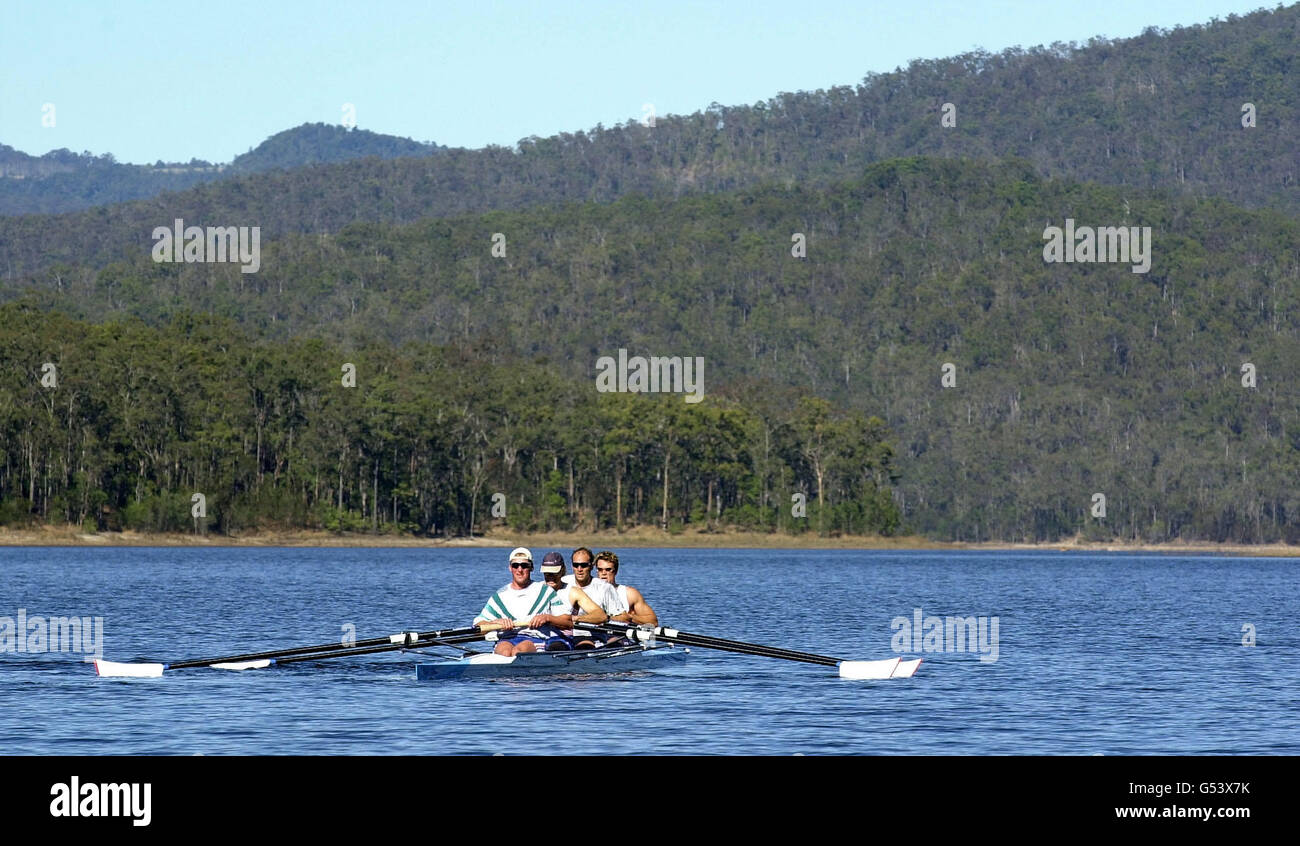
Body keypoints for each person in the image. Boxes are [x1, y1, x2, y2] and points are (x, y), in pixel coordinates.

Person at [473, 547, 574, 656]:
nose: (519, 570)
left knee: (518, 651)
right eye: (515, 565)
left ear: (531, 568)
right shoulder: (499, 596)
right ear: (510, 568)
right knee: (505, 652)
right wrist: (494, 622)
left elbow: (567, 622)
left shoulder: (546, 592)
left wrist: (547, 618)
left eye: (524, 566)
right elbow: (479, 625)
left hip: (535, 638)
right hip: (507, 639)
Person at [539, 552, 608, 649]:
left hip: (563, 640)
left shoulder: (573, 592)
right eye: (547, 573)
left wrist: (575, 618)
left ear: (563, 571)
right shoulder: (536, 589)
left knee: (558, 647)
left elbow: (601, 616)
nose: (550, 576)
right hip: (538, 638)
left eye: (554, 573)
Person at [594, 550, 658, 626]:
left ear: (616, 571)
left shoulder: (630, 594)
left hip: (619, 635)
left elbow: (653, 622)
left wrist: (630, 618)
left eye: (608, 570)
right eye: (600, 569)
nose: (604, 573)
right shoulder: (586, 592)